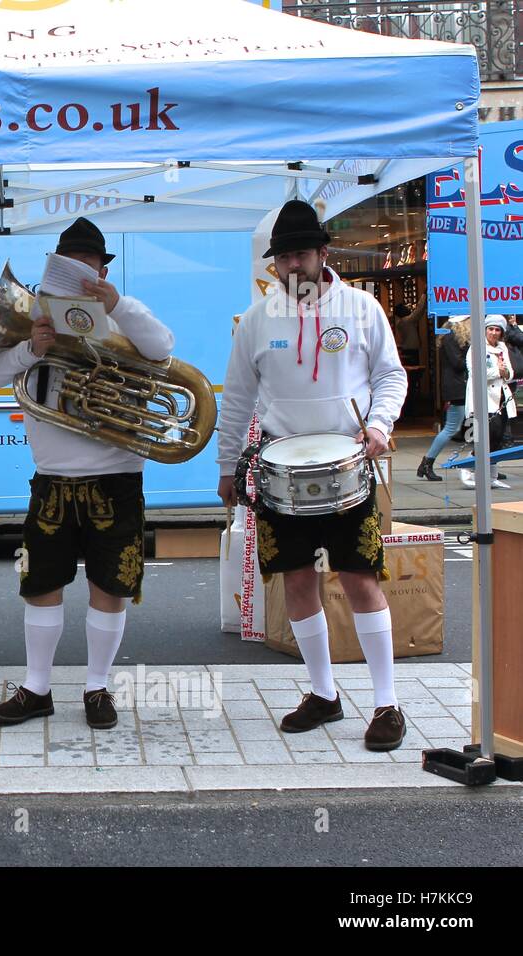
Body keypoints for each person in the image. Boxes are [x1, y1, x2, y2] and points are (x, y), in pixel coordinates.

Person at [218, 200, 408, 752]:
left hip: (348, 465)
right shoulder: (256, 320)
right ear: (274, 264)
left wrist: (378, 424)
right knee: (298, 581)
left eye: (302, 253)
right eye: (284, 258)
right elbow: (236, 401)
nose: (293, 266)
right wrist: (229, 466)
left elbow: (390, 376)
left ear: (323, 253)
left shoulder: (363, 308)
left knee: (359, 580)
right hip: (279, 469)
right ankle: (323, 693)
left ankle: (386, 702)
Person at [0, 217, 175, 730]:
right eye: (71, 268)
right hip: (53, 476)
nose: (82, 276)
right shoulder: (31, 320)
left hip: (115, 475)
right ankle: (37, 687)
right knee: (40, 581)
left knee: (110, 583)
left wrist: (116, 306)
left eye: (90, 268)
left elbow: (163, 348)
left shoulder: (122, 314)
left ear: (103, 270)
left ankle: (97, 687)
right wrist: (31, 350)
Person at [463, 314, 516, 490]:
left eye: (497, 329)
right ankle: (468, 468)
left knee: (497, 439)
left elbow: (510, 373)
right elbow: (476, 373)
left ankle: (491, 476)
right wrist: (497, 372)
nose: (493, 332)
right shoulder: (476, 348)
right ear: (485, 330)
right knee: (482, 438)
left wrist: (506, 373)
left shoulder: (502, 348)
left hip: (501, 400)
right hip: (483, 400)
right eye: (490, 329)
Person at [417, 315, 470, 483]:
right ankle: (427, 463)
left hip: (459, 387)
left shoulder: (450, 336)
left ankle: (486, 464)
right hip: (458, 389)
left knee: (474, 426)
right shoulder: (452, 338)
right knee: (452, 428)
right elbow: (458, 363)